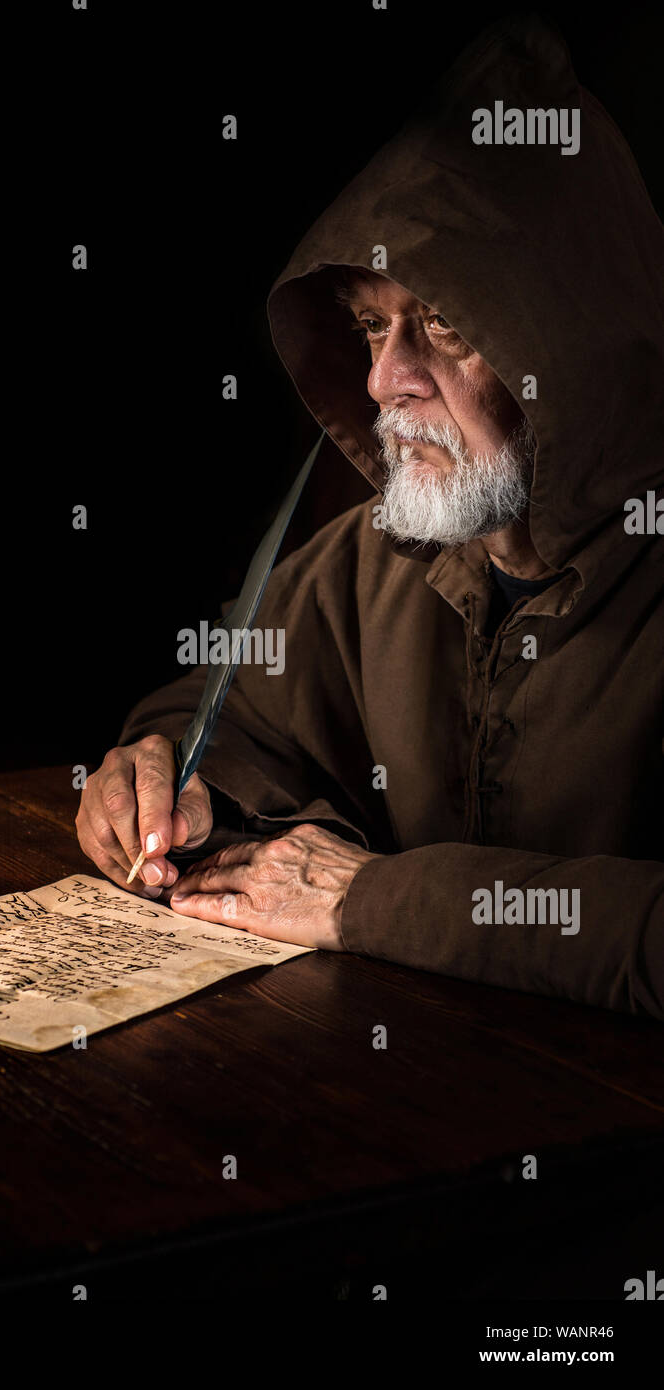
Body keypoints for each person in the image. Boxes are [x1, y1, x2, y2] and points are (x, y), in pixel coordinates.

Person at [75, 14, 663, 1019]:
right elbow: (216, 705)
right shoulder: (378, 557)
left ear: (568, 346)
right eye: (367, 327)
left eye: (441, 323)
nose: (387, 379)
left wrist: (376, 900)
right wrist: (160, 774)